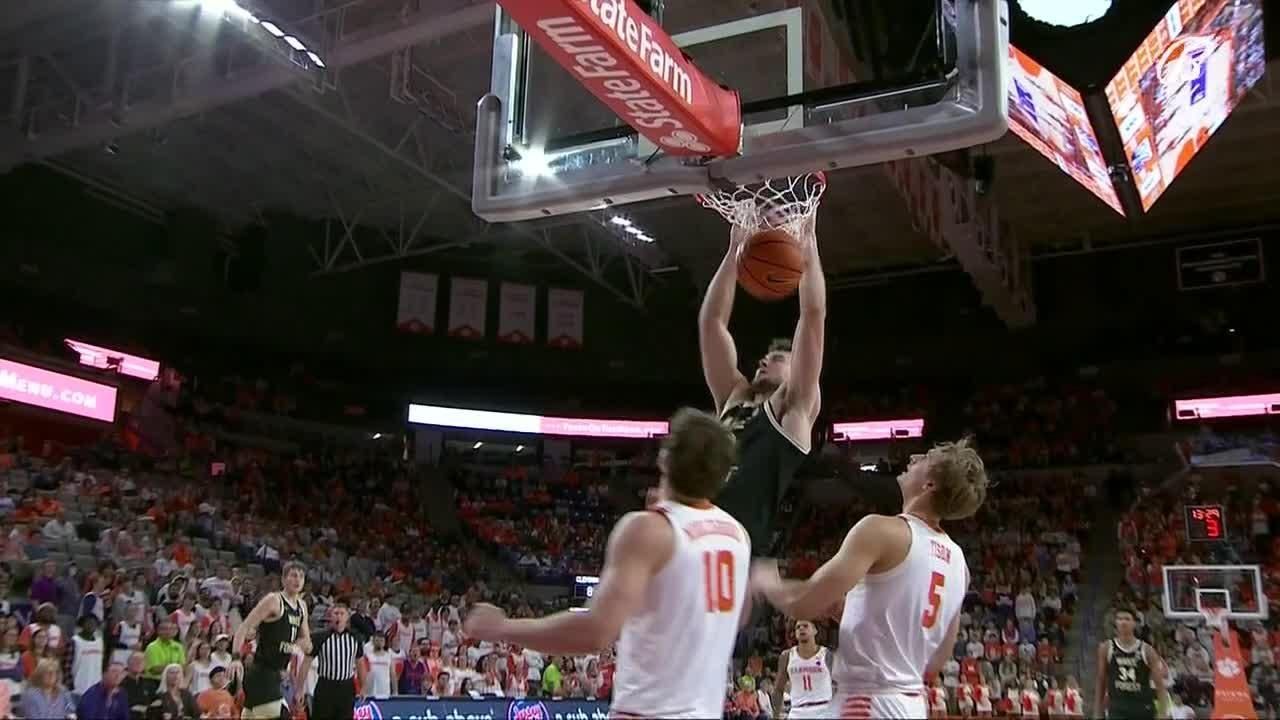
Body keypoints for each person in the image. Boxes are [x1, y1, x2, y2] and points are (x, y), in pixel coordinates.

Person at [464, 407, 749, 718]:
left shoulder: (647, 530)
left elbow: (595, 632)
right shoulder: (737, 535)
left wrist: (503, 627)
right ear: (724, 475)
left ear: (664, 458)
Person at [751, 438, 989, 719]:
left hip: (868, 702)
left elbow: (802, 604)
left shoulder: (881, 531)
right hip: (911, 705)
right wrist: (850, 613)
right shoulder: (959, 562)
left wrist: (765, 577)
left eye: (924, 458)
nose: (912, 458)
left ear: (929, 484)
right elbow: (935, 661)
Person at [698, 214, 825, 555]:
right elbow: (712, 323)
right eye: (765, 357)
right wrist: (733, 251)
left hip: (736, 547)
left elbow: (813, 317)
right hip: (693, 531)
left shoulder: (794, 408)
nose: (764, 361)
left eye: (778, 358)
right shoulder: (735, 396)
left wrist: (808, 249)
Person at [232, 561, 311, 719]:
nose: (297, 580)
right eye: (293, 575)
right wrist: (235, 657)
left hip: (277, 674)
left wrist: (294, 646)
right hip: (261, 671)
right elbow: (244, 627)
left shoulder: (302, 606)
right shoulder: (274, 600)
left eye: (301, 576)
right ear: (283, 579)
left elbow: (306, 641)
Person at [1094, 607, 1169, 719]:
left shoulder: (1147, 650)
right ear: (1115, 623)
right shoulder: (1106, 648)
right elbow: (1101, 680)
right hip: (1117, 709)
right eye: (1119, 619)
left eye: (1127, 619)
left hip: (1142, 708)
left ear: (1134, 623)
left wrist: (1163, 712)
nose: (1123, 622)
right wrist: (1097, 711)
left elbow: (1159, 684)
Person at [301, 599, 365, 719]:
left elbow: (360, 664)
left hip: (346, 687)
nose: (338, 616)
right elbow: (306, 663)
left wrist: (363, 687)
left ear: (347, 617)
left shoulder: (355, 638)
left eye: (342, 614)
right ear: (330, 617)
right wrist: (299, 689)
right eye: (336, 613)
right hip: (326, 686)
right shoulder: (319, 637)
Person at [775, 619, 832, 719]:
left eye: (805, 626)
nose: (801, 629)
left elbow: (839, 684)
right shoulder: (787, 656)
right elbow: (778, 689)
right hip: (797, 711)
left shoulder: (827, 654)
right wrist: (776, 715)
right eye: (798, 627)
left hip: (824, 710)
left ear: (815, 630)